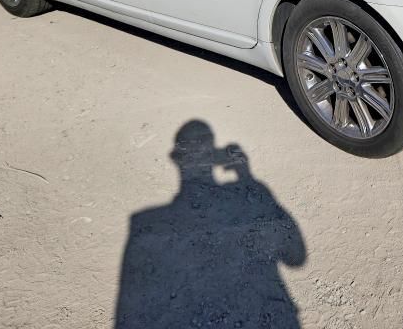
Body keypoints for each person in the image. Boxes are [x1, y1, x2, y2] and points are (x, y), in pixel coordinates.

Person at [114, 120, 305, 328]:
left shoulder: (144, 222)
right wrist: (247, 177)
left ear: (177, 160)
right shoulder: (144, 222)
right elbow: (295, 257)